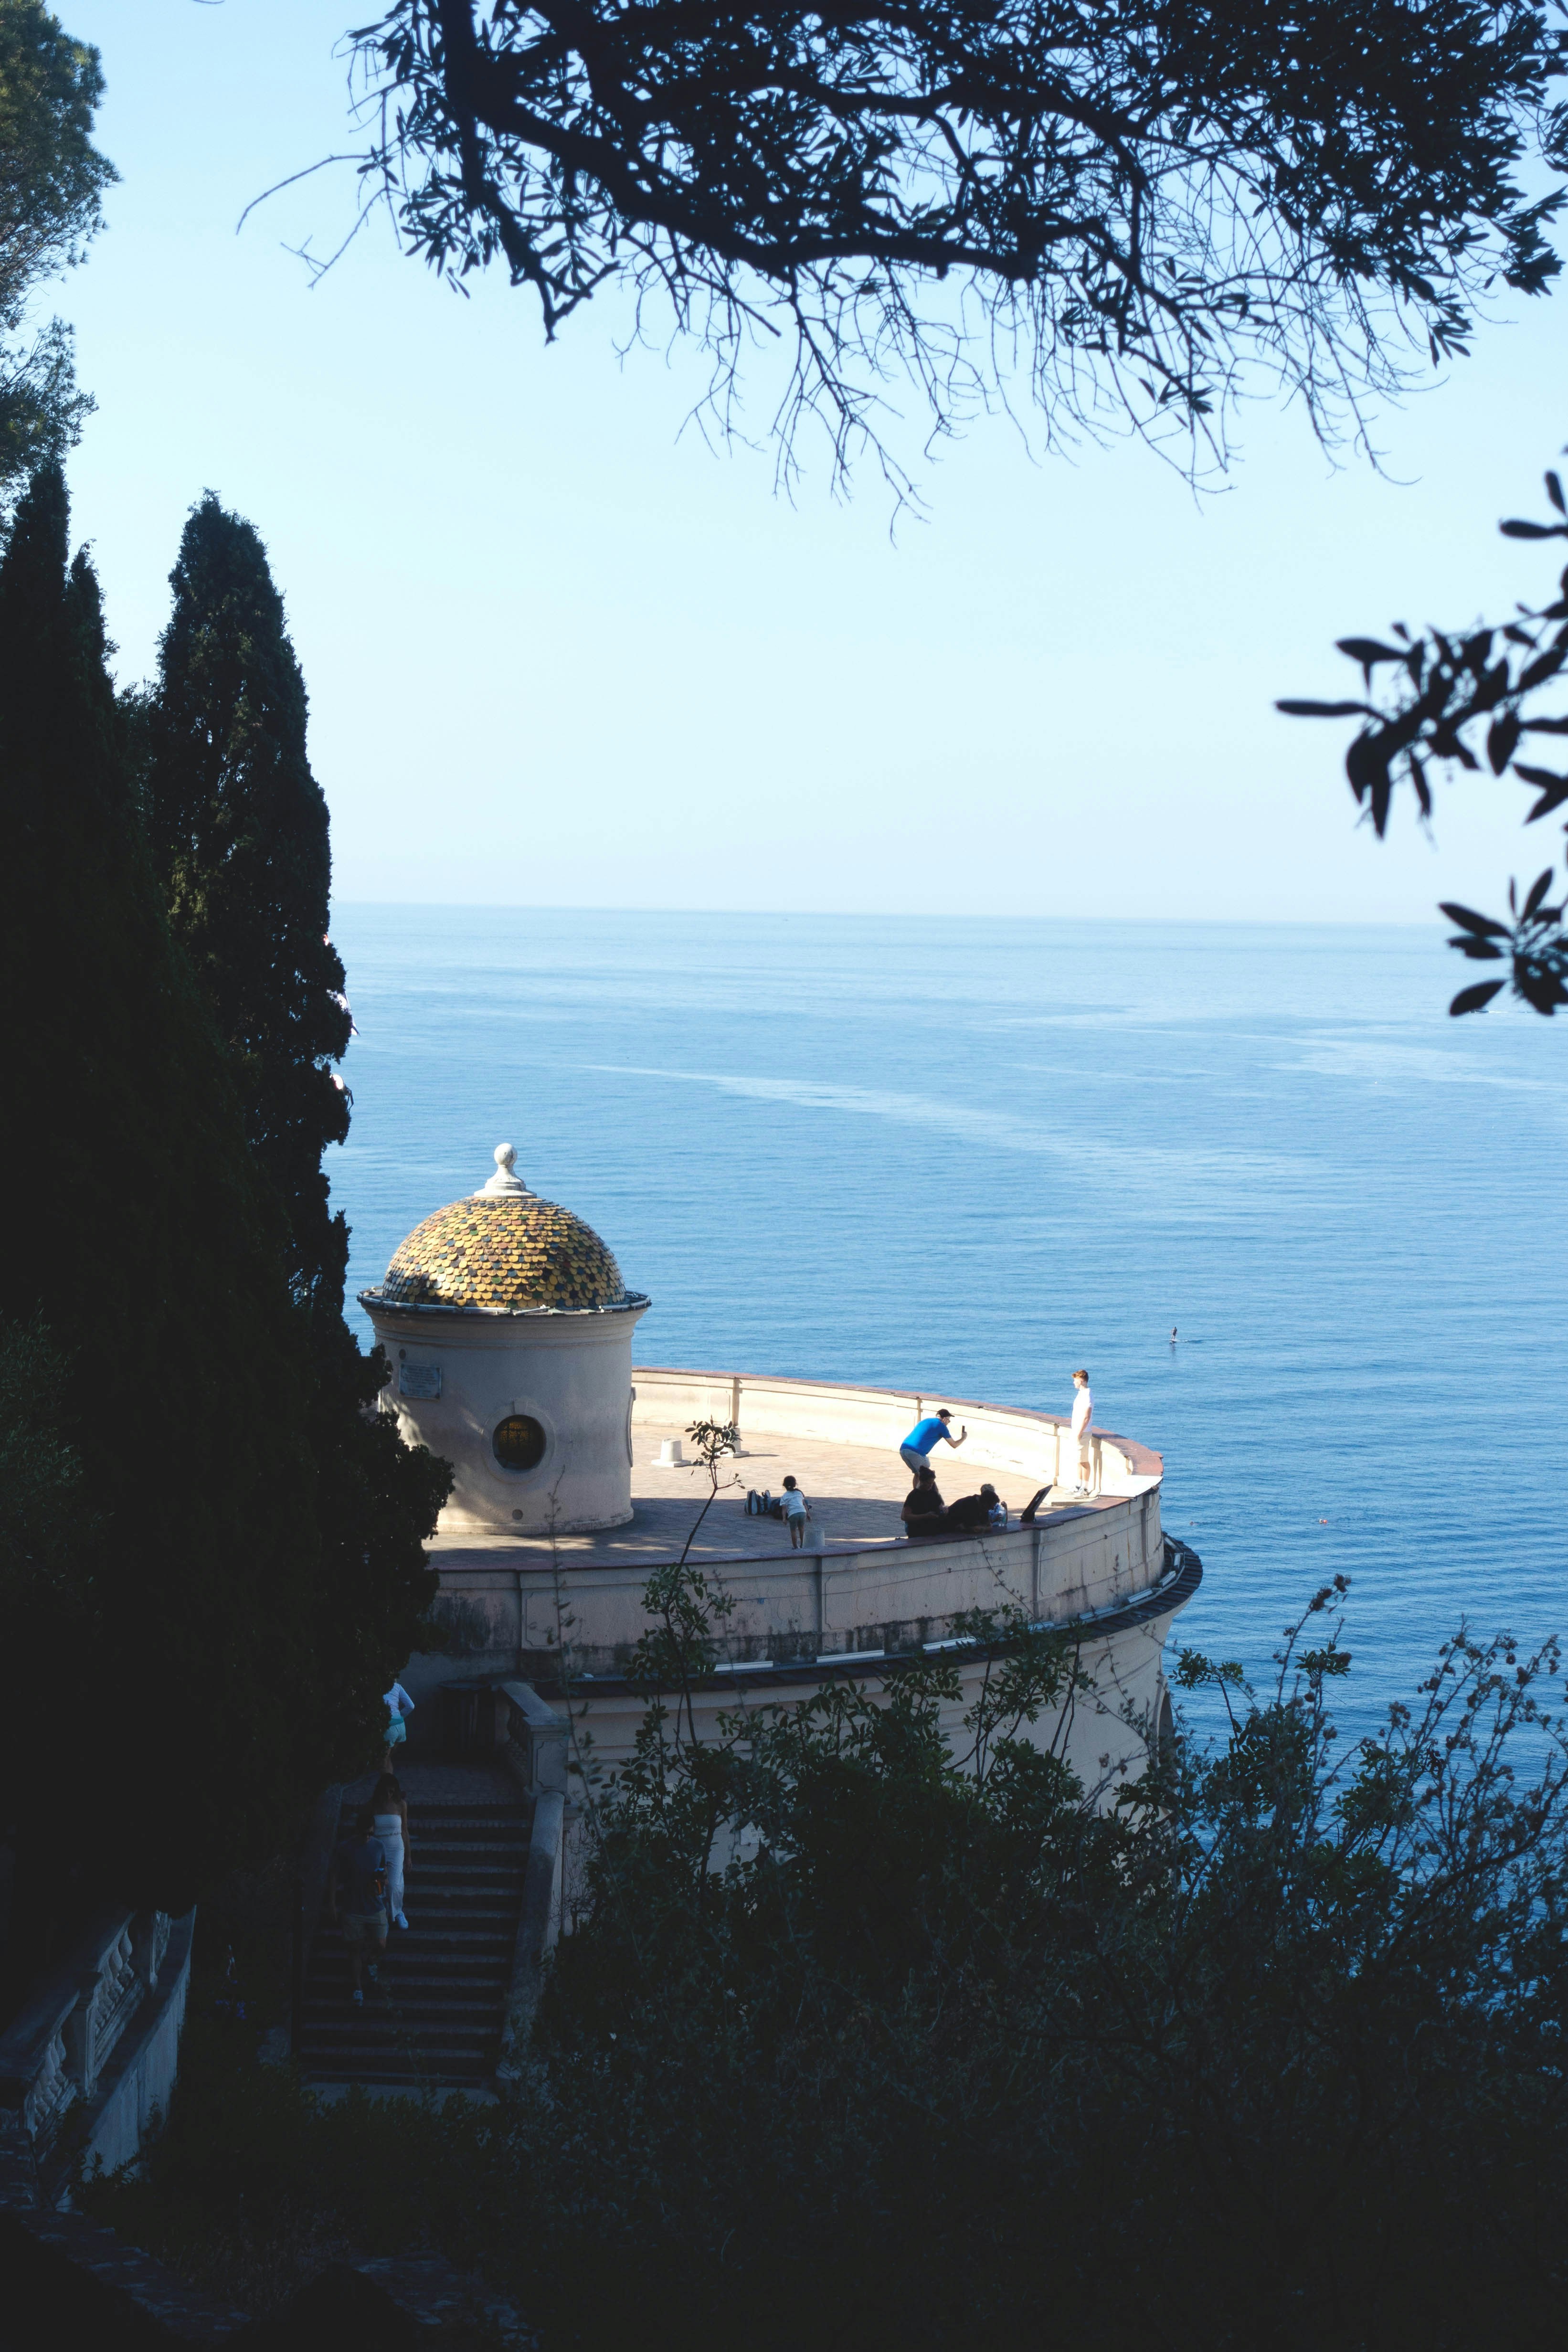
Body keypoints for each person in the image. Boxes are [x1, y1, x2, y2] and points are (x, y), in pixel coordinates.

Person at [328, 1807, 389, 2007]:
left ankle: (371, 1962)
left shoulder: (379, 1846)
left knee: (381, 1945)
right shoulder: (345, 1848)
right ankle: (358, 1988)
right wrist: (332, 1903)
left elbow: (384, 1872)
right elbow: (335, 1876)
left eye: (372, 1833)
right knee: (354, 1949)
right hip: (352, 1907)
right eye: (365, 1834)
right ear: (358, 1831)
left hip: (374, 1905)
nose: (368, 1837)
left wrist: (383, 1880)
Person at [371, 1772, 411, 1931]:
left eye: (392, 1791)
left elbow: (405, 1830)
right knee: (379, 1883)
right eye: (386, 1791)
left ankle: (398, 1911)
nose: (389, 1795)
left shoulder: (401, 1805)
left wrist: (408, 1856)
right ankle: (383, 1915)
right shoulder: (372, 1805)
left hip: (396, 1845)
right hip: (378, 1844)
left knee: (394, 1884)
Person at [898, 1408, 967, 1477]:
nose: (948, 1423)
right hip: (916, 1452)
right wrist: (963, 1438)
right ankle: (924, 1488)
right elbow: (954, 1445)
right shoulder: (942, 1426)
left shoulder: (926, 1421)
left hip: (903, 1449)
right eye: (949, 1421)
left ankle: (917, 1488)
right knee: (926, 1476)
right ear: (945, 1419)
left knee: (918, 1474)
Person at [901, 1465, 947, 1537]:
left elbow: (940, 1507)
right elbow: (905, 1516)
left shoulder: (933, 1494)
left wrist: (944, 1511)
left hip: (933, 1530)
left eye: (932, 1483)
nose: (931, 1486)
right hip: (917, 1531)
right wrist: (925, 1516)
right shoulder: (913, 1496)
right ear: (922, 1481)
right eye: (929, 1483)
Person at [1070, 1368, 1094, 1494]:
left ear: (1082, 1381)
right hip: (1078, 1431)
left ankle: (1085, 1488)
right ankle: (1078, 1485)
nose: (1074, 1383)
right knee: (1079, 1460)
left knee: (1084, 1461)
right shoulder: (1081, 1394)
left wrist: (1080, 1432)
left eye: (1076, 1380)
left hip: (1083, 1432)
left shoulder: (1087, 1395)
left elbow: (1087, 1416)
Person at [382, 1678, 414, 1770]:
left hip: (389, 1728)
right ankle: (391, 1783)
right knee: (388, 1759)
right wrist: (400, 1716)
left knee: (383, 1764)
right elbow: (411, 1706)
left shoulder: (377, 1687)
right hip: (401, 1726)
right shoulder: (398, 1687)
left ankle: (386, 1784)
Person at [780, 1474, 811, 1550]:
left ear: (784, 1486)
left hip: (793, 1514)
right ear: (795, 1484)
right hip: (802, 1512)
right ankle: (802, 1545)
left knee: (793, 1531)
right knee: (802, 1529)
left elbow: (784, 1509)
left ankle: (795, 1547)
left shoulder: (785, 1496)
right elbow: (804, 1504)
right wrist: (808, 1514)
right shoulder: (799, 1493)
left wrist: (784, 1518)